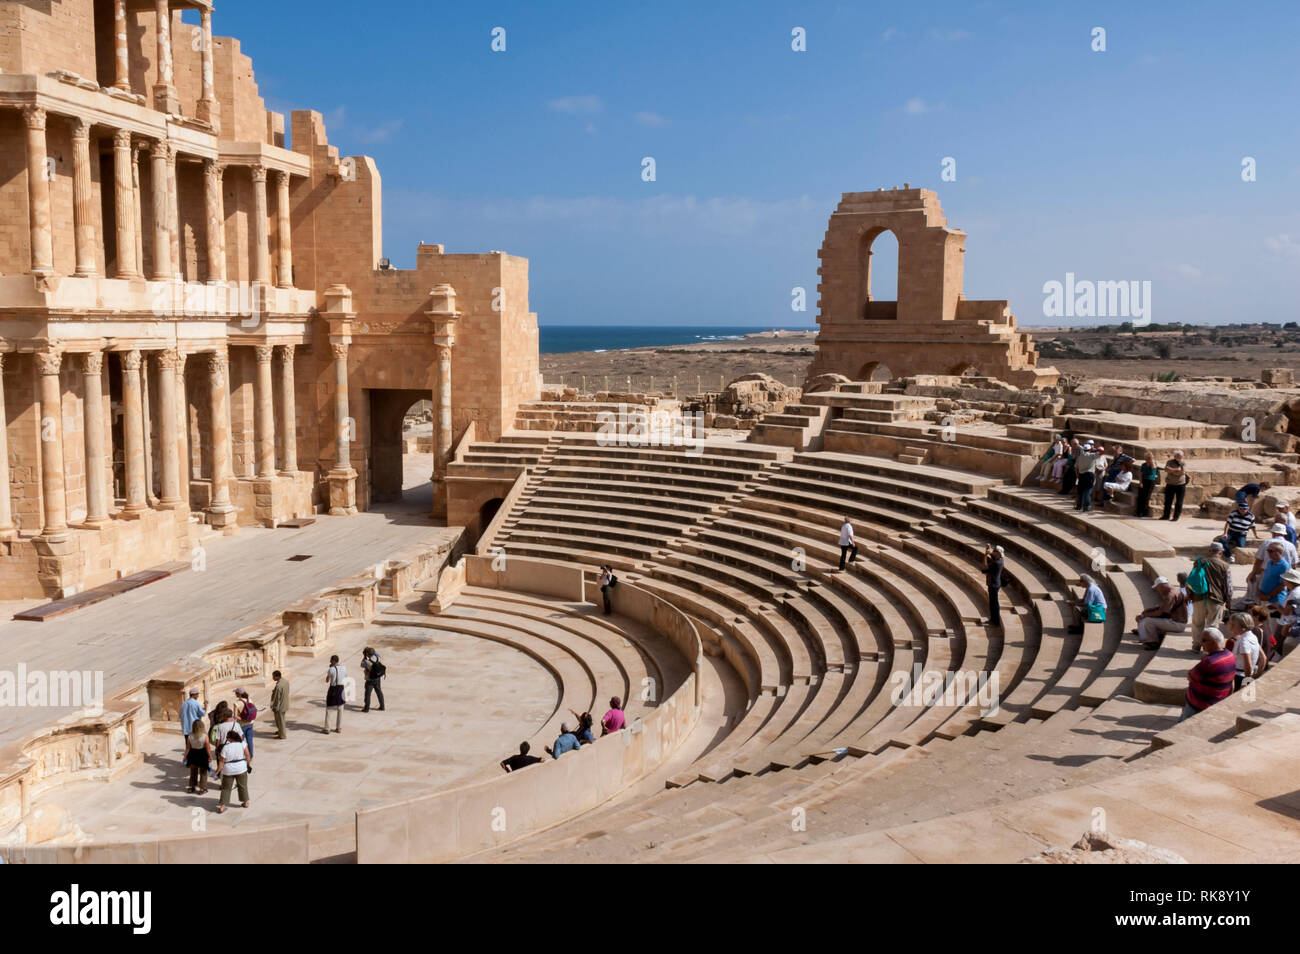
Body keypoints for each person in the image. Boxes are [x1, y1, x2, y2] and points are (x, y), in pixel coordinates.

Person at [1177, 628, 1235, 722]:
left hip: (1200, 705)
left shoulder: (1209, 662)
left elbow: (1190, 677)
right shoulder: (1230, 655)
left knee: (1181, 726)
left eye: (1204, 640)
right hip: (1217, 701)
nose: (1201, 643)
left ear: (1214, 642)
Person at [1189, 542, 1232, 648]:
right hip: (1216, 598)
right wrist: (1228, 600)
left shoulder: (1199, 562)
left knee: (1197, 623)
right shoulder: (1224, 566)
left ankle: (1196, 645)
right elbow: (1228, 586)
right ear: (1221, 553)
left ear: (1210, 551)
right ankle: (1210, 648)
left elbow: (1191, 579)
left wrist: (1189, 594)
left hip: (1198, 597)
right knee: (1212, 626)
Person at [1134, 576, 1189, 650]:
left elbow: (1161, 613)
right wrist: (1147, 612)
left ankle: (1153, 643)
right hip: (1178, 622)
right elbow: (1162, 609)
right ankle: (1146, 635)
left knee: (1148, 621)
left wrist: (1144, 615)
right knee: (1148, 615)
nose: (1157, 590)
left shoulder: (1170, 595)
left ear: (1162, 587)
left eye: (1157, 588)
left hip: (1178, 624)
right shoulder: (1173, 590)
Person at [215, 729, 251, 813]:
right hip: (241, 768)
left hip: (229, 769)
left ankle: (222, 806)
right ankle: (245, 803)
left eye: (227, 737)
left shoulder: (226, 747)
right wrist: (248, 764)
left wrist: (217, 771)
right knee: (243, 786)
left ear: (231, 738)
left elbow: (222, 761)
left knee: (226, 788)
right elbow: (248, 755)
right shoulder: (243, 744)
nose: (227, 739)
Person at [1226, 613, 1264, 690]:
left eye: (1234, 624)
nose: (1232, 626)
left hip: (1239, 677)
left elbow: (1248, 665)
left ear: (1242, 626)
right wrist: (1256, 675)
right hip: (1244, 676)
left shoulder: (1244, 641)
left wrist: (1245, 683)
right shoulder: (1253, 637)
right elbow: (1263, 658)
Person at [183, 716, 211, 794]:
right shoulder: (205, 736)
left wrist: (185, 756)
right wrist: (210, 756)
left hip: (193, 754)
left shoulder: (190, 736)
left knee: (193, 772)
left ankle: (192, 787)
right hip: (202, 754)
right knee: (203, 772)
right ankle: (202, 788)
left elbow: (188, 747)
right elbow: (208, 748)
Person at [1160, 450, 1189, 521]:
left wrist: (1172, 471)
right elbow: (1166, 469)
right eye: (1178, 456)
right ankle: (1166, 516)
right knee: (1168, 501)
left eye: (1181, 456)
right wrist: (1176, 470)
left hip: (1180, 485)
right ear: (1175, 456)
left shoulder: (1183, 463)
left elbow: (1182, 472)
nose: (1179, 457)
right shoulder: (1169, 462)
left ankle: (1176, 516)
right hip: (1170, 484)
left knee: (1179, 502)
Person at [983, 543, 1004, 628]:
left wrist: (985, 555)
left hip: (993, 585)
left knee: (994, 603)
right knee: (993, 602)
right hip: (995, 583)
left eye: (995, 551)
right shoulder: (1000, 559)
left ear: (998, 553)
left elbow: (985, 567)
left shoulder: (997, 563)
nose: (993, 552)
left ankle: (995, 621)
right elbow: (993, 556)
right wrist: (989, 549)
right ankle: (993, 619)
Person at [1074, 442, 1099, 512]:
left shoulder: (1079, 457)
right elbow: (1101, 452)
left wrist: (1077, 475)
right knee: (1087, 491)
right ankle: (1086, 507)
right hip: (1089, 475)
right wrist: (1097, 448)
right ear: (1089, 449)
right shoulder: (1092, 455)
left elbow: (1075, 467)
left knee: (1080, 492)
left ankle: (1078, 506)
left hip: (1081, 475)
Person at [324, 655, 346, 734]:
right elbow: (345, 676)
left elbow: (327, 680)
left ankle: (327, 728)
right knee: (340, 709)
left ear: (333, 661)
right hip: (341, 689)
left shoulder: (331, 669)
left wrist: (329, 671)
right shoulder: (344, 668)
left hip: (333, 689)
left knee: (329, 709)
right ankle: (339, 728)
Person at [361, 647, 386, 712]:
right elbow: (376, 654)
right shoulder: (378, 657)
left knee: (368, 694)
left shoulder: (367, 662)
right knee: (379, 692)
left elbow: (361, 665)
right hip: (377, 678)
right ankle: (382, 706)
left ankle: (366, 708)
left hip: (370, 680)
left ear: (367, 654)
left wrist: (364, 657)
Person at [1134, 452, 1159, 518]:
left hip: (1150, 481)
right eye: (1147, 458)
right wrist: (1140, 482)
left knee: (1146, 497)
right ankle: (1138, 512)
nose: (1148, 459)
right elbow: (1141, 474)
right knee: (1140, 496)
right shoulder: (1143, 464)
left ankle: (1144, 512)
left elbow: (1153, 468)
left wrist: (1151, 460)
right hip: (1144, 480)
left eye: (1149, 458)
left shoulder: (1154, 463)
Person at [234, 688, 256, 759]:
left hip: (242, 725)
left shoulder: (237, 703)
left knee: (241, 741)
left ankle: (241, 755)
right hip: (251, 723)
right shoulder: (250, 700)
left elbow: (235, 716)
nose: (235, 694)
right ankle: (250, 755)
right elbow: (254, 710)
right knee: (249, 740)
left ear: (239, 694)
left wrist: (243, 719)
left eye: (236, 693)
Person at [269, 670, 290, 740]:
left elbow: (277, 698)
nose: (272, 678)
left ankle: (282, 735)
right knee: (282, 719)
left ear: (277, 676)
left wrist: (274, 706)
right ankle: (280, 731)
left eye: (273, 676)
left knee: (280, 720)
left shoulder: (278, 686)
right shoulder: (285, 681)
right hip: (285, 704)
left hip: (280, 706)